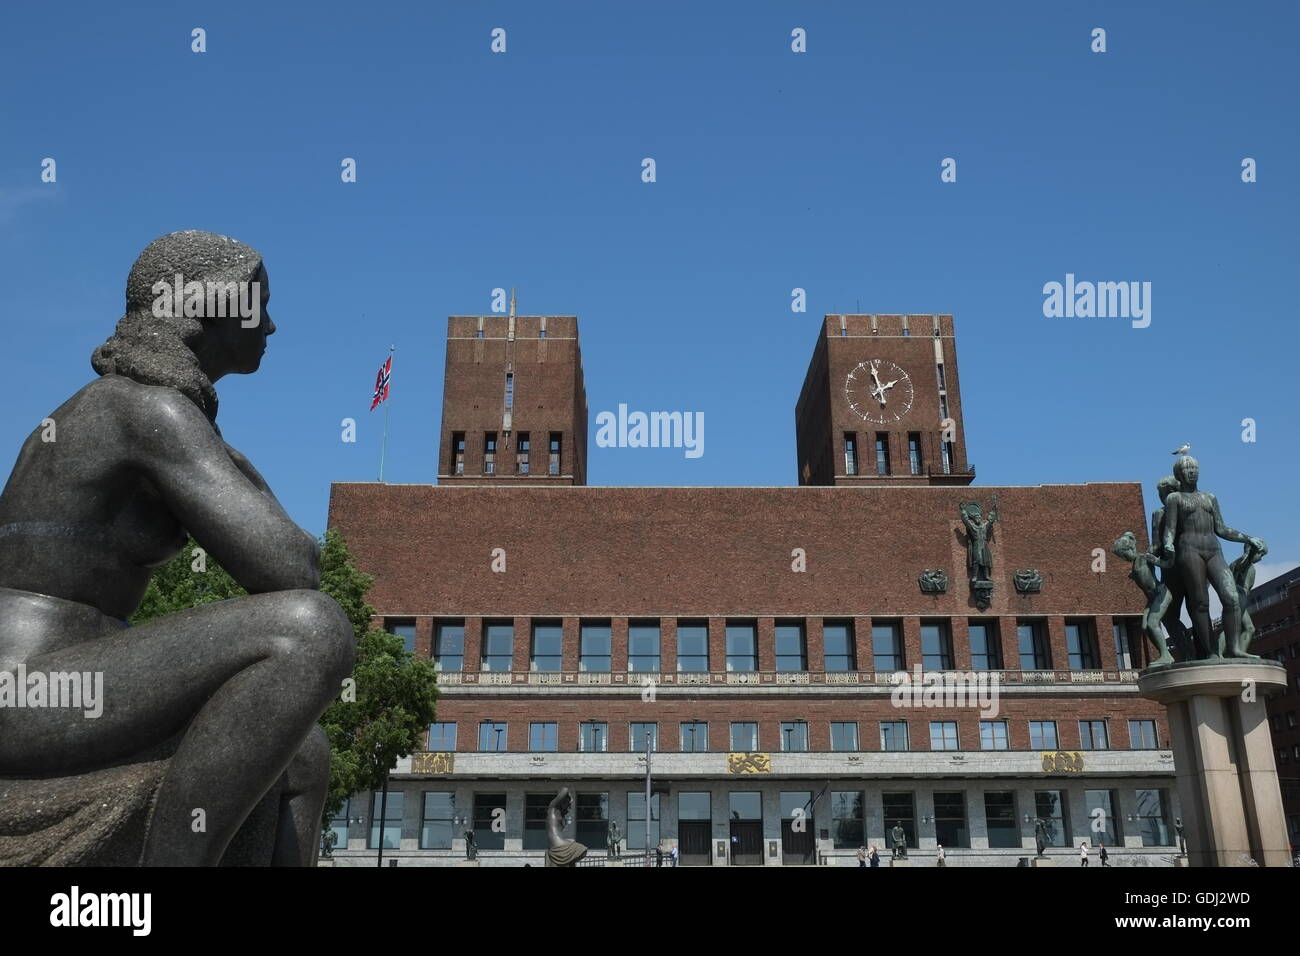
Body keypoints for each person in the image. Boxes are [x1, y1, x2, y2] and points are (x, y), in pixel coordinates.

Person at [0, 231, 355, 866]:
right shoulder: (144, 411)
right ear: (205, 306)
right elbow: (291, 569)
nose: (270, 326)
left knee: (303, 753)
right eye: (258, 304)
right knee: (309, 630)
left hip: (62, 679)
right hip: (27, 690)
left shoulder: (128, 410)